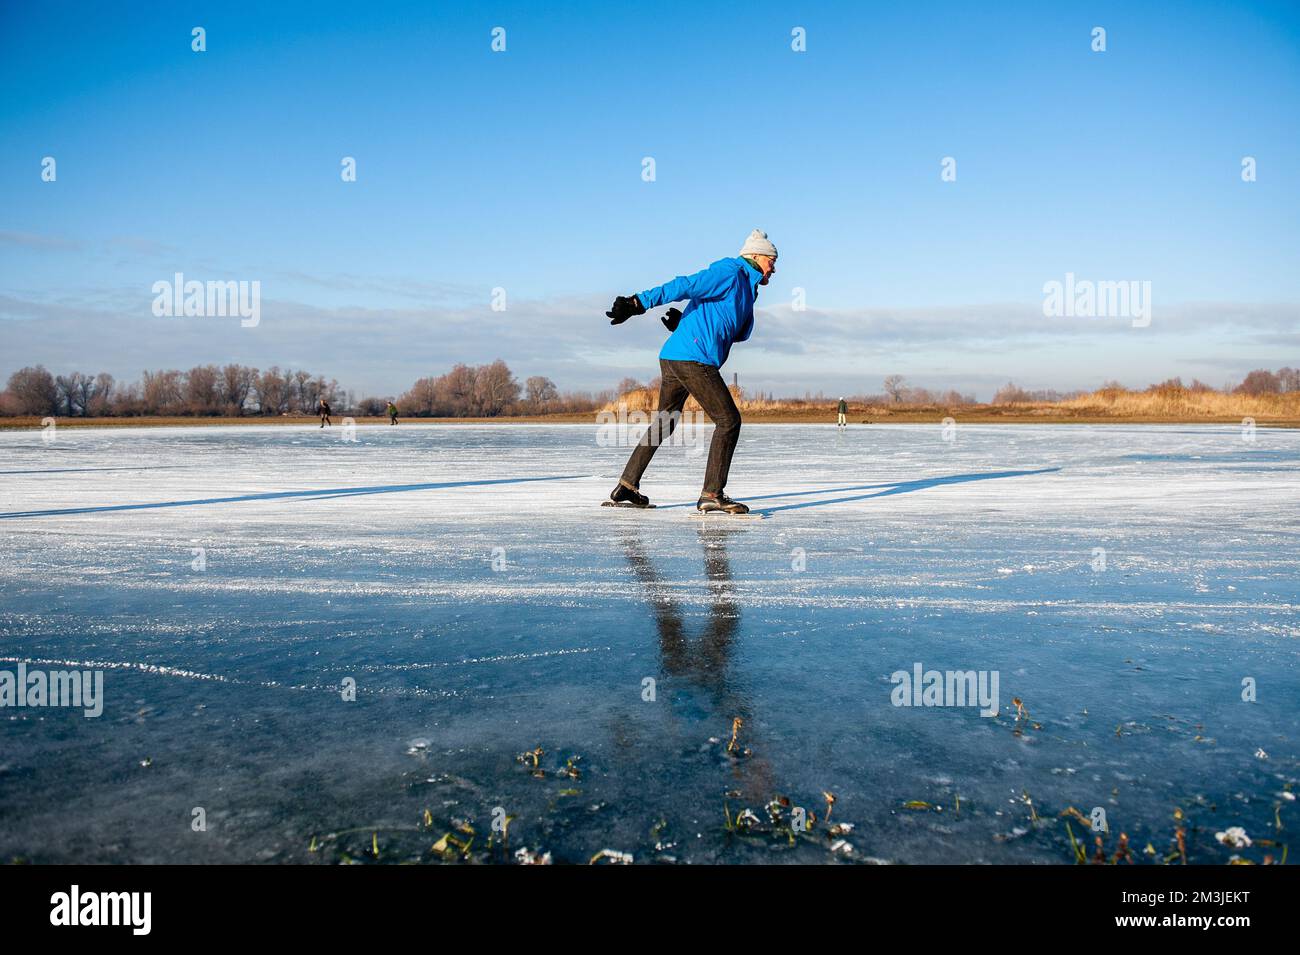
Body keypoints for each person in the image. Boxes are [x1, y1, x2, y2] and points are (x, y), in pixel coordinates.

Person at [605, 229, 777, 514]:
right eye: (772, 260)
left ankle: (627, 485)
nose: (774, 267)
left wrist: (684, 324)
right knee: (728, 421)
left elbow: (727, 324)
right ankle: (712, 493)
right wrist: (639, 302)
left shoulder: (748, 286)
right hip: (693, 358)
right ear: (757, 256)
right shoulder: (730, 272)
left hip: (677, 354)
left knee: (665, 422)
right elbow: (687, 285)